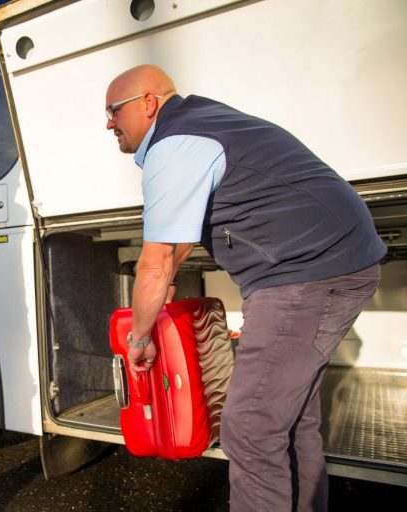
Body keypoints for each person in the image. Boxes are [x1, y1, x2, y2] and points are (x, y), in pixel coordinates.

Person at [105, 65, 385, 511]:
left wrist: (139, 337)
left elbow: (154, 262)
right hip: (332, 262)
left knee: (251, 426)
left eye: (113, 111)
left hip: (305, 272)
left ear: (148, 103)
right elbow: (177, 244)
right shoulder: (202, 125)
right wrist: (166, 286)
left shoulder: (174, 143)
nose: (109, 123)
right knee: (290, 420)